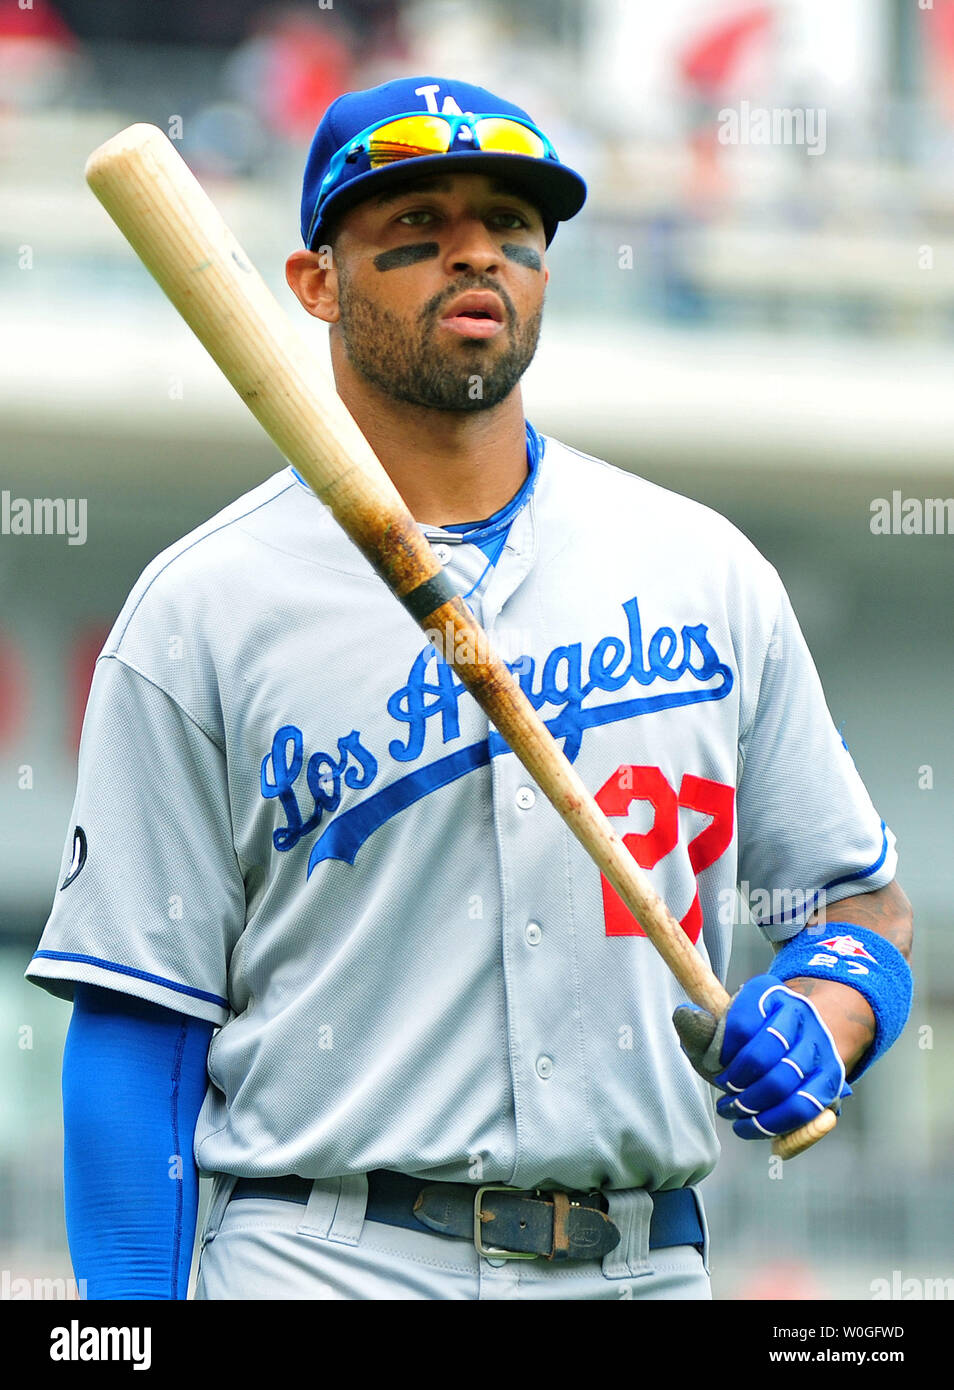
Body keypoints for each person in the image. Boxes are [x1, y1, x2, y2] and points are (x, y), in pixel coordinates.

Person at [26, 75, 913, 1302]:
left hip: (643, 1259)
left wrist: (832, 1008)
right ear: (316, 282)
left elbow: (859, 907)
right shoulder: (200, 610)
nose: (475, 252)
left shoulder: (703, 568)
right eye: (417, 227)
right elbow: (138, 1031)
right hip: (327, 1254)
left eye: (510, 223)